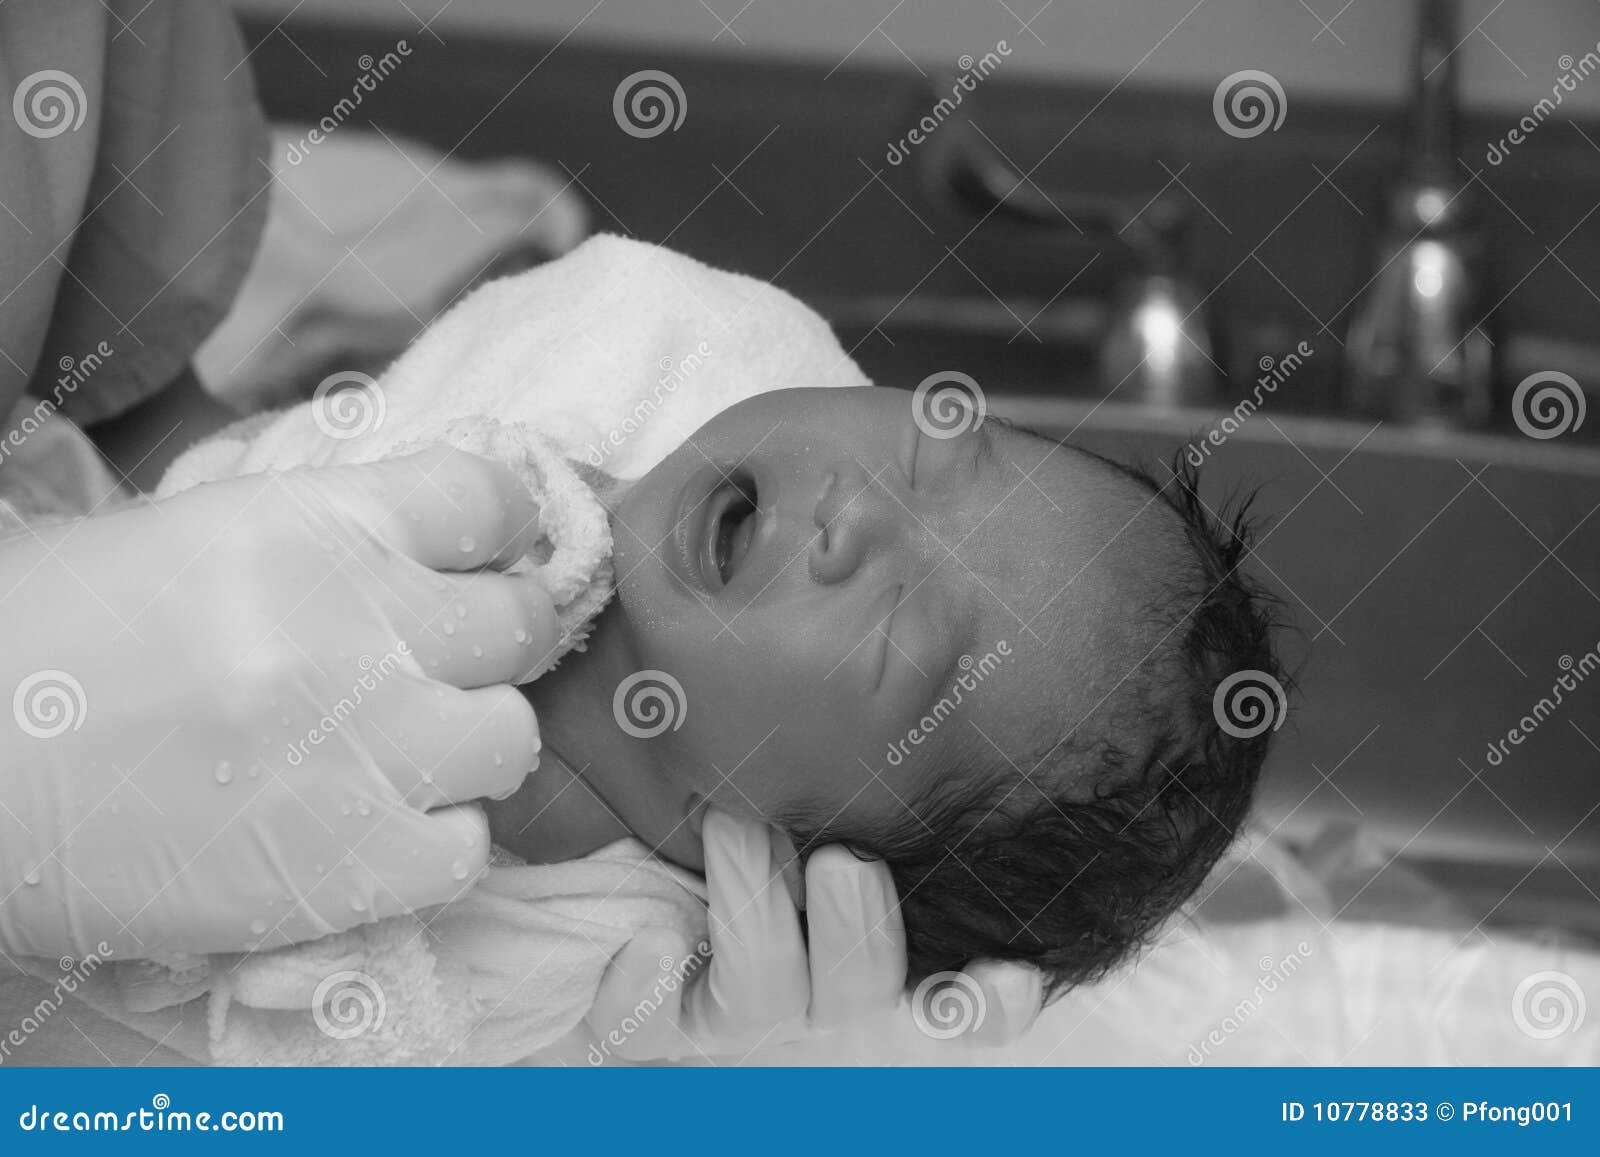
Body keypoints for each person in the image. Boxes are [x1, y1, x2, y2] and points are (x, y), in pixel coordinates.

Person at [0, 0, 1042, 1056]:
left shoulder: (606, 937)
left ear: (804, 857)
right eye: (927, 453)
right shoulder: (568, 437)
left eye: (907, 628)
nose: (856, 509)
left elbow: (128, 406)